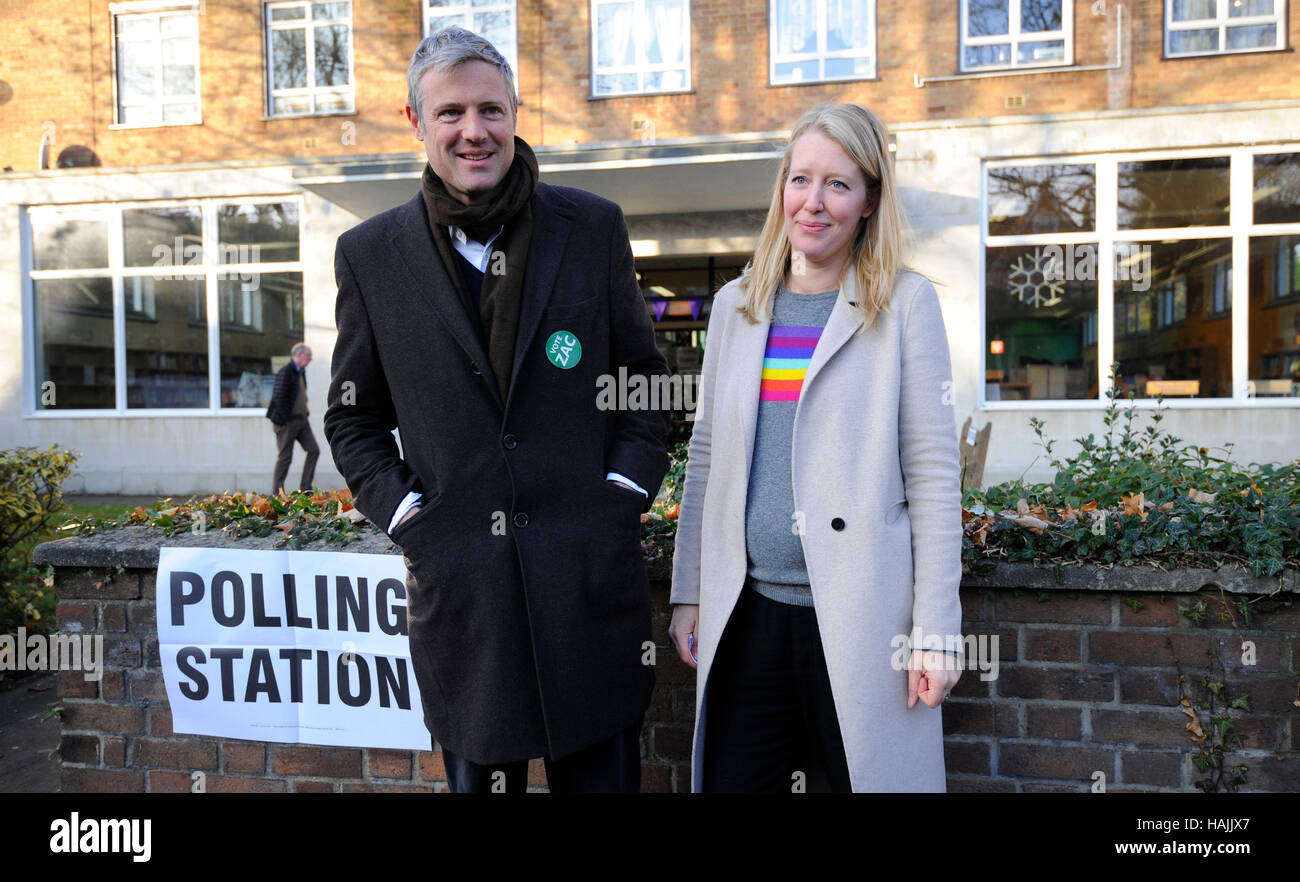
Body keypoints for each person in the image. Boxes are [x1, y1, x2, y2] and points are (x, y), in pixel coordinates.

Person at [323, 27, 670, 793]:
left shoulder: (593, 227)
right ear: (416, 122)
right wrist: (412, 515)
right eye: (449, 113)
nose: (472, 131)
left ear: (515, 112)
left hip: (587, 587)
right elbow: (351, 415)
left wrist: (620, 497)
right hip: (466, 599)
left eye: (490, 109)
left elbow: (645, 381)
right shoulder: (370, 255)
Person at [668, 103, 964, 792]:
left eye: (838, 184)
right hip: (747, 620)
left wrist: (936, 628)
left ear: (869, 200)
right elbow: (706, 456)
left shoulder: (906, 305)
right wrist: (689, 592)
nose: (815, 202)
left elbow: (933, 475)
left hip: (864, 623)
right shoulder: (738, 305)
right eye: (801, 179)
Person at [266, 343, 319, 495]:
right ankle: (277, 494)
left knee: (314, 450)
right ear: (300, 355)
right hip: (287, 423)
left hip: (302, 421)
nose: (310, 359)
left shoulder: (300, 372)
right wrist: (285, 421)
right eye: (309, 355)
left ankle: (305, 488)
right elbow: (278, 398)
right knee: (285, 458)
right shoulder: (286, 372)